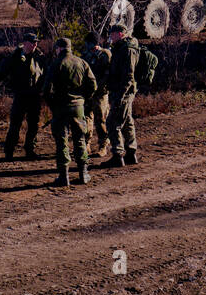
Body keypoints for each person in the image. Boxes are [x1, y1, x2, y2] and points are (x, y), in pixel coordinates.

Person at [44, 38, 98, 187]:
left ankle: (64, 176)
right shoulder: (81, 62)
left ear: (59, 49)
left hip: (61, 107)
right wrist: (83, 99)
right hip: (78, 107)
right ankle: (83, 174)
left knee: (62, 141)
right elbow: (93, 85)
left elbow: (46, 90)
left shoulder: (56, 64)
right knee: (80, 138)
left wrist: (52, 105)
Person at [0, 32, 45, 160]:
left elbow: (46, 75)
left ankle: (30, 150)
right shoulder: (14, 57)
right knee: (15, 125)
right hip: (20, 96)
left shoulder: (40, 56)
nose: (35, 44)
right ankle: (9, 152)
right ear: (25, 43)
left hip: (35, 97)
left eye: (36, 42)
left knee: (33, 125)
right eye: (32, 42)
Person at [102, 23, 141, 168]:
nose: (111, 37)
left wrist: (119, 96)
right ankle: (131, 153)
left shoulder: (128, 50)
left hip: (123, 91)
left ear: (120, 34)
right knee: (127, 121)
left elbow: (128, 76)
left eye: (112, 34)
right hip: (122, 91)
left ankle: (118, 155)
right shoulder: (122, 48)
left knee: (113, 122)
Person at [81, 35, 113, 158]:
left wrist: (99, 87)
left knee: (101, 120)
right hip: (88, 93)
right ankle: (86, 144)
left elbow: (108, 74)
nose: (88, 46)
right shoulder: (85, 55)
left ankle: (103, 145)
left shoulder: (105, 55)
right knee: (86, 118)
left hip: (100, 93)